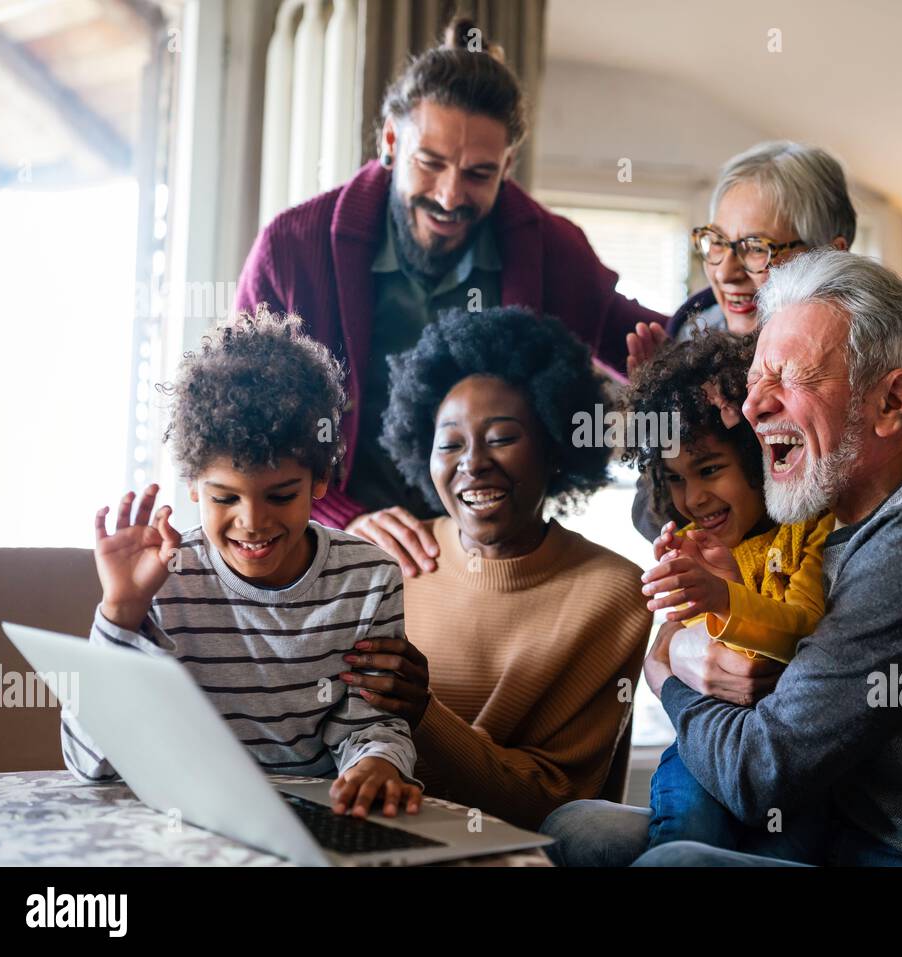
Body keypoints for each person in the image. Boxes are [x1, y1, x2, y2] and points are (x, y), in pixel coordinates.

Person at [541, 249, 902, 866]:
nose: (756, 408)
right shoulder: (824, 517)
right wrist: (678, 640)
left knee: (675, 863)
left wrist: (666, 678)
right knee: (573, 829)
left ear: (892, 402)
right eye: (758, 380)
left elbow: (759, 771)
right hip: (851, 832)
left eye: (791, 378)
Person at [234, 16, 665, 578]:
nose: (449, 195)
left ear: (508, 167)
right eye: (430, 163)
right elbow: (244, 424)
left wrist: (744, 323)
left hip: (487, 552)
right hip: (331, 545)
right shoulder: (292, 247)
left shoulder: (554, 249)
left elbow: (640, 337)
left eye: (478, 174)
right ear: (391, 140)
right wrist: (339, 518)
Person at [63, 308, 423, 821]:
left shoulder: (368, 579)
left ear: (321, 481)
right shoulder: (165, 578)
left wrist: (379, 763)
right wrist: (121, 612)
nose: (252, 522)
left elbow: (370, 726)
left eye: (281, 495)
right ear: (191, 486)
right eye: (225, 498)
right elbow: (89, 765)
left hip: (312, 819)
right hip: (184, 821)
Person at [624, 141, 902, 539]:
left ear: (830, 253)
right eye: (716, 243)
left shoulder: (896, 341)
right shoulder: (695, 334)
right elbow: (659, 504)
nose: (725, 271)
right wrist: (652, 415)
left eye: (756, 247)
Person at [335, 306, 652, 830]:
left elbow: (556, 801)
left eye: (502, 438)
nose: (473, 462)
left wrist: (425, 714)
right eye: (450, 444)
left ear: (554, 446)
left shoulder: (612, 593)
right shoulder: (389, 563)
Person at [623, 331, 832, 860]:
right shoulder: (692, 547)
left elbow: (803, 630)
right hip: (701, 746)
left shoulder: (809, 530)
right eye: (674, 479)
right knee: (684, 834)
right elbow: (670, 654)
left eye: (710, 469)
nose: (693, 498)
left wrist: (724, 595)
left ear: (757, 456)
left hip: (784, 757)